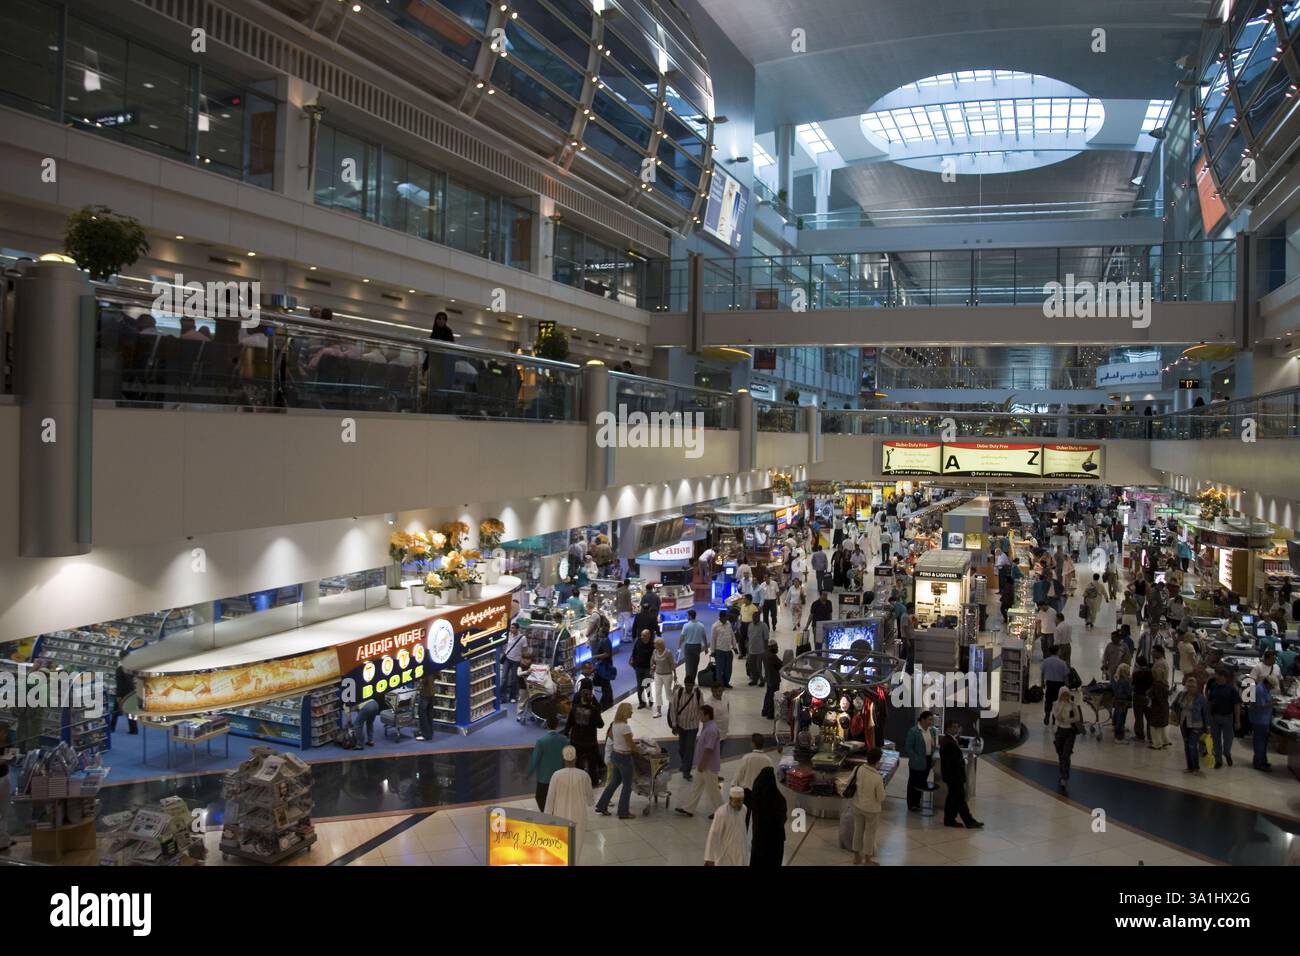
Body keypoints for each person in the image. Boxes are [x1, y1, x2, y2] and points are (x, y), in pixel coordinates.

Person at [545, 746, 594, 861]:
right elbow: (590, 799)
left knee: (560, 846)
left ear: (563, 759)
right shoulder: (584, 775)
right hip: (579, 815)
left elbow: (550, 798)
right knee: (577, 845)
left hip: (560, 815)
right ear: (575, 758)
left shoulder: (556, 775)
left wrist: (547, 817)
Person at [676, 704, 723, 818]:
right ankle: (689, 809)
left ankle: (721, 812)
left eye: (701, 714)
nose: (699, 716)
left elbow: (709, 749)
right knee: (696, 786)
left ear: (707, 716)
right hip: (703, 765)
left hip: (708, 766)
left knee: (713, 790)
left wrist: (702, 764)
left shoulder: (711, 730)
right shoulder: (707, 727)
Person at [595, 702, 637, 818]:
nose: (632, 712)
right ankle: (623, 812)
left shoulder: (614, 724)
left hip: (615, 755)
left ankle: (601, 806)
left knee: (614, 782)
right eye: (630, 710)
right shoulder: (625, 727)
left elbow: (609, 734)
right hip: (624, 758)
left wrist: (619, 742)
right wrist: (642, 750)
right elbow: (631, 745)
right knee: (627, 786)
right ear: (625, 712)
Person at [939, 721, 983, 828]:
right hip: (954, 777)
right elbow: (952, 761)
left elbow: (959, 741)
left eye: (957, 727)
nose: (957, 729)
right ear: (948, 729)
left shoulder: (951, 739)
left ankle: (949, 819)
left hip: (952, 776)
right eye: (954, 727)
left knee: (952, 798)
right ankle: (969, 821)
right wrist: (963, 761)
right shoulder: (948, 742)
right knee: (960, 799)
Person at [849, 746, 888, 863]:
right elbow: (881, 797)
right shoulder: (877, 778)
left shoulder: (859, 769)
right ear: (878, 761)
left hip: (857, 805)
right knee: (870, 834)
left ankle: (856, 856)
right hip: (872, 810)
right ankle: (868, 859)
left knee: (858, 830)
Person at [564, 683, 605, 785]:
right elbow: (601, 725)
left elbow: (569, 723)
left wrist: (566, 735)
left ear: (581, 698)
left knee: (578, 762)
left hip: (576, 740)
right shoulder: (594, 710)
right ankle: (594, 781)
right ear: (591, 699)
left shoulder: (574, 709)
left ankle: (579, 781)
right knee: (592, 763)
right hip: (590, 741)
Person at [527, 715, 569, 811]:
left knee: (541, 797)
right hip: (559, 776)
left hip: (544, 777)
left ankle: (546, 814)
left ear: (547, 725)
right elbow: (567, 758)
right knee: (557, 797)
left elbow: (535, 759)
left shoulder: (541, 742)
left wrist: (528, 773)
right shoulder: (564, 740)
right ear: (557, 725)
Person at [745, 766, 786, 866]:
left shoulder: (757, 796)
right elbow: (783, 818)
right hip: (776, 840)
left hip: (760, 839)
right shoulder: (779, 798)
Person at [668, 676, 704, 781]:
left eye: (690, 685)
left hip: (693, 727)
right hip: (681, 726)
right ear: (684, 684)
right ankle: (685, 764)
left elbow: (701, 708)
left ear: (693, 684)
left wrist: (701, 721)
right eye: (687, 685)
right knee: (682, 748)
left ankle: (686, 771)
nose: (689, 687)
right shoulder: (678, 693)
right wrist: (674, 724)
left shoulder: (698, 694)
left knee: (690, 748)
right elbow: (673, 709)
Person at [704, 786, 750, 866]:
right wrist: (710, 857)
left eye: (741, 801)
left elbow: (743, 830)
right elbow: (713, 834)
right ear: (730, 799)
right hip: (725, 851)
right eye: (736, 801)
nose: (739, 804)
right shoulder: (722, 812)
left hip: (740, 850)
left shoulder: (744, 809)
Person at [1205, 668, 1241, 769]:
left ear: (1225, 678)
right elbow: (1210, 701)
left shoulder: (1232, 690)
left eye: (1219, 676)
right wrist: (1208, 717)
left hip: (1227, 718)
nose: (1217, 677)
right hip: (1215, 717)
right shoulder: (1213, 687)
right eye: (1216, 675)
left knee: (1228, 739)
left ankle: (1227, 753)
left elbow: (1237, 705)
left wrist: (1237, 721)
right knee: (1216, 740)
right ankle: (1218, 760)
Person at [1050, 688, 1083, 789]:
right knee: (1060, 755)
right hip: (1059, 732)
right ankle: (1062, 773)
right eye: (1063, 695)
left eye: (1066, 695)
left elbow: (1078, 718)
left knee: (1066, 755)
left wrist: (1069, 720)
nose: (1065, 697)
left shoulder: (1073, 705)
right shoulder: (1055, 704)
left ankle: (1064, 777)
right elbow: (1057, 717)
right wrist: (1063, 706)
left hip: (1070, 732)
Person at [903, 710, 936, 812]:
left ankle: (917, 801)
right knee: (913, 783)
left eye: (932, 720)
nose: (931, 722)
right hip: (916, 761)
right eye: (929, 720)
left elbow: (933, 743)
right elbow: (908, 747)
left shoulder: (932, 731)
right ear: (922, 719)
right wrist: (916, 758)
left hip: (927, 759)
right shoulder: (913, 731)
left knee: (922, 782)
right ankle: (911, 804)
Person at [1178, 675, 1210, 775]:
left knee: (1192, 745)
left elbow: (1205, 713)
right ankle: (1189, 767)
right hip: (1184, 723)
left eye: (1192, 686)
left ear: (1196, 687)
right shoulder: (1181, 695)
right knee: (1186, 746)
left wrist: (1207, 727)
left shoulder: (1201, 699)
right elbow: (1175, 705)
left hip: (1196, 725)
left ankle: (1196, 768)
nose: (1190, 688)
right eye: (1189, 686)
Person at [1248, 675, 1276, 772]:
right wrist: (1273, 703)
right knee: (1260, 742)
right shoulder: (1259, 690)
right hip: (1260, 720)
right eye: (1271, 686)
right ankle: (1258, 763)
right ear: (1267, 683)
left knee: (1263, 742)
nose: (1272, 688)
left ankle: (1262, 760)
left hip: (1263, 719)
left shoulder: (1263, 688)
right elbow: (1261, 706)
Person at [1040, 644, 1070, 726]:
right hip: (1059, 685)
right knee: (1058, 701)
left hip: (1049, 683)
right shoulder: (1062, 663)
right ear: (1057, 652)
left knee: (1048, 700)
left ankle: (1047, 714)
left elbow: (1042, 673)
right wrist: (1067, 686)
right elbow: (1066, 675)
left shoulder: (1046, 661)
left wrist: (1042, 683)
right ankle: (1054, 717)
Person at [590, 621, 614, 710]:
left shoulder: (605, 641)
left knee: (605, 685)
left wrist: (596, 656)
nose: (598, 633)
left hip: (605, 666)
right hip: (603, 665)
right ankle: (609, 700)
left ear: (603, 633)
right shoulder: (604, 640)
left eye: (600, 631)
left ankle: (605, 702)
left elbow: (607, 654)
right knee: (606, 684)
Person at [501, 623, 527, 705]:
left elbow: (525, 649)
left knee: (514, 679)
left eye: (513, 628)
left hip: (516, 660)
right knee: (504, 678)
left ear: (517, 629)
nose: (511, 629)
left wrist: (523, 659)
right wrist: (504, 652)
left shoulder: (523, 638)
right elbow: (505, 645)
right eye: (510, 628)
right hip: (507, 659)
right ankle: (503, 697)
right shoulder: (508, 636)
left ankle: (513, 697)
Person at [680, 609, 709, 683]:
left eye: (687, 615)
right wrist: (706, 647)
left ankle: (688, 681)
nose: (687, 617)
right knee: (695, 665)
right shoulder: (701, 625)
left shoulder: (686, 625)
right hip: (697, 647)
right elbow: (704, 637)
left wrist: (679, 646)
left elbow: (682, 637)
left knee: (688, 665)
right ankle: (692, 680)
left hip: (689, 647)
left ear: (690, 616)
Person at [650, 636, 675, 717]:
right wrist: (653, 666)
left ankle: (672, 709)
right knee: (657, 692)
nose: (654, 645)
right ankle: (658, 711)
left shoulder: (668, 652)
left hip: (667, 675)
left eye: (655, 644)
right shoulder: (654, 652)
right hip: (657, 674)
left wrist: (675, 674)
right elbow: (652, 661)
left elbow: (672, 664)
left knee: (668, 692)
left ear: (660, 645)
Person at [630, 628, 655, 709]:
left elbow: (654, 657)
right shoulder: (638, 641)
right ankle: (642, 702)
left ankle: (650, 699)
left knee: (646, 684)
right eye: (641, 635)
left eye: (644, 635)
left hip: (647, 668)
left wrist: (653, 666)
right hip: (638, 667)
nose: (642, 637)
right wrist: (632, 658)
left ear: (649, 636)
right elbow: (634, 651)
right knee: (639, 686)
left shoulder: (652, 644)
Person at [711, 610, 736, 688]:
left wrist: (734, 646)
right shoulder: (715, 626)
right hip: (719, 651)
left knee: (728, 668)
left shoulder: (728, 624)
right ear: (721, 617)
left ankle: (726, 682)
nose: (728, 618)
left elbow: (732, 635)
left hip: (728, 650)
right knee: (719, 669)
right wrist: (712, 651)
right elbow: (713, 639)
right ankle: (720, 684)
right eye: (726, 617)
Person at [746, 614, 771, 686]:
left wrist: (766, 649)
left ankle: (762, 680)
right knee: (752, 666)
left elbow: (766, 638)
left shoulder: (763, 626)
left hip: (761, 650)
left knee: (759, 666)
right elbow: (749, 638)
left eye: (755, 618)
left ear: (759, 618)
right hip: (751, 650)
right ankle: (754, 679)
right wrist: (747, 648)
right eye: (753, 618)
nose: (754, 619)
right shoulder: (750, 625)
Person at [761, 640, 783, 719]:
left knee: (768, 695)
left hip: (769, 678)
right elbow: (781, 664)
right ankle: (770, 714)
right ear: (772, 647)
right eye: (776, 647)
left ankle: (765, 711)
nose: (777, 648)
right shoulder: (772, 656)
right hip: (774, 680)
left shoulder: (765, 654)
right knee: (772, 697)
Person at [1112, 663, 1133, 740]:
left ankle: (1116, 730)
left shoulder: (1115, 679)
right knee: (1122, 717)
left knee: (1117, 715)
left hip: (1117, 700)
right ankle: (1119, 735)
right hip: (1124, 701)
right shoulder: (1126, 681)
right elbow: (1128, 692)